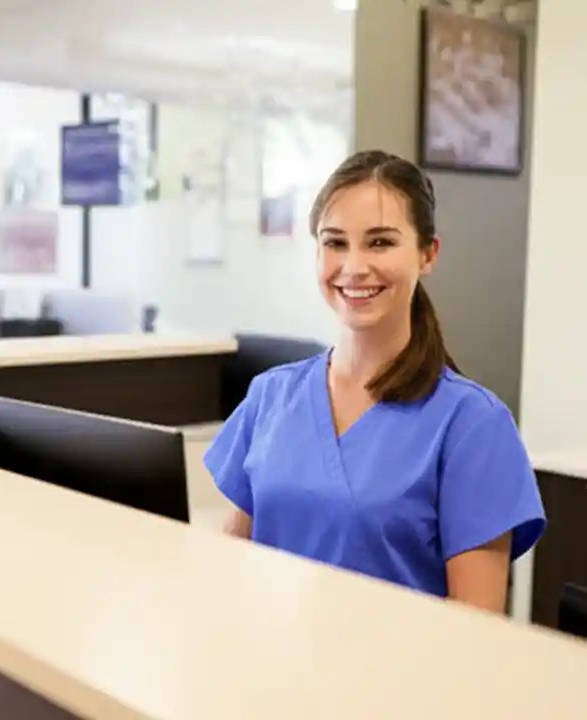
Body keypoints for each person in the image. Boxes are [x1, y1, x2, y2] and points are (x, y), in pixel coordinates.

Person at [204, 150, 545, 613]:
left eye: (380, 242)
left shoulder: (472, 426)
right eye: (335, 243)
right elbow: (229, 569)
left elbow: (476, 625)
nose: (354, 266)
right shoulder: (271, 396)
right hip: (268, 652)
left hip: (394, 661)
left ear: (428, 254)